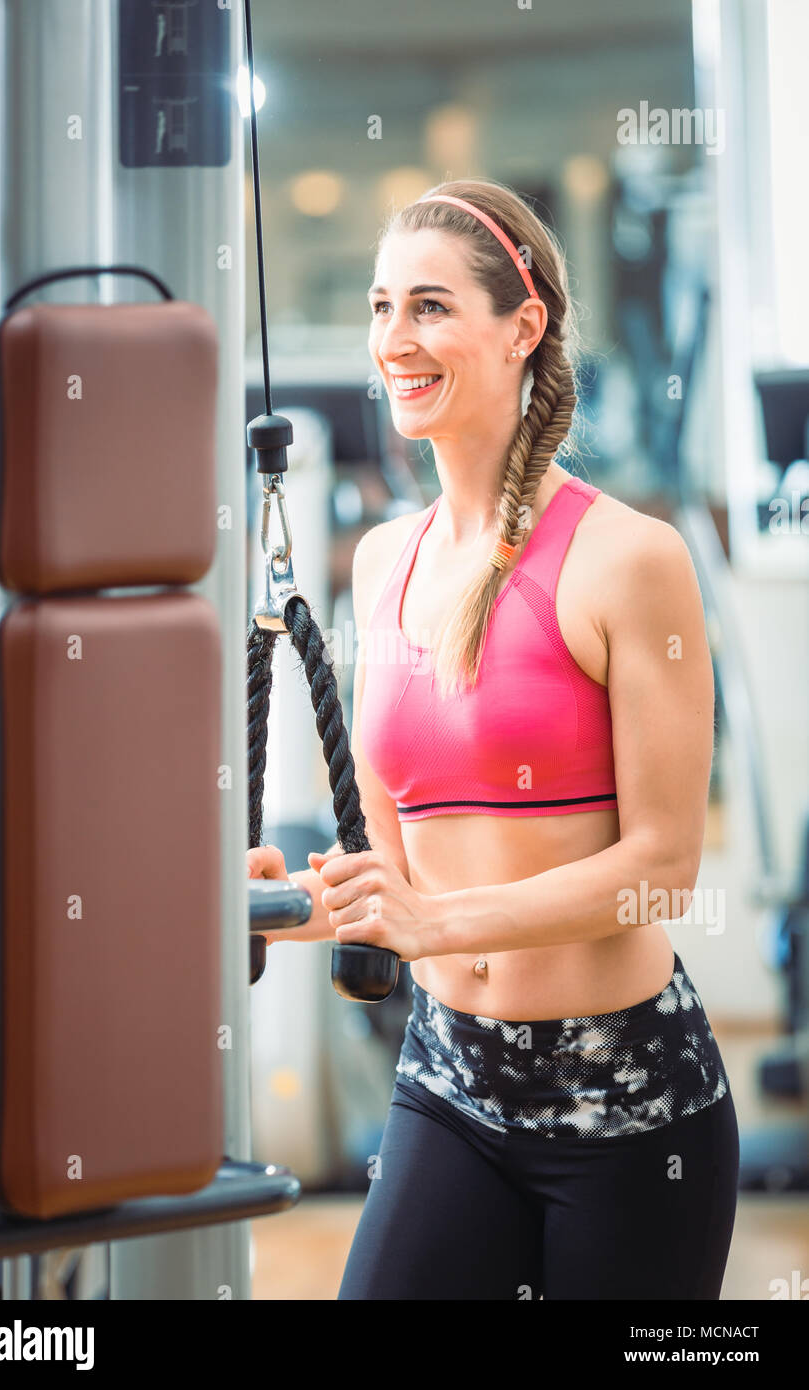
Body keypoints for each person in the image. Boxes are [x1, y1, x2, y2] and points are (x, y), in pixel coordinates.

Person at [247, 177, 739, 1301]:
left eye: (427, 306)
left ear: (521, 330)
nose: (393, 340)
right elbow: (396, 873)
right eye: (380, 308)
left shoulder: (627, 558)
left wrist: (435, 920)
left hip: (626, 1109)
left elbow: (661, 870)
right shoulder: (381, 563)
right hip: (450, 1084)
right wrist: (294, 901)